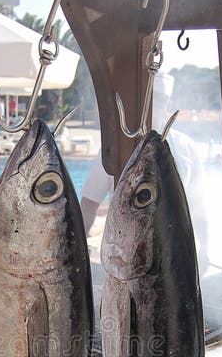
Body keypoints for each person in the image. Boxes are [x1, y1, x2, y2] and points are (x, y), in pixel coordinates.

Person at [79, 73, 210, 274]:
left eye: (158, 100)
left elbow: (199, 205)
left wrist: (205, 247)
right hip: (126, 260)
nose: (153, 106)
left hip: (175, 255)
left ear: (168, 103)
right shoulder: (116, 147)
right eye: (150, 100)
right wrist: (78, 249)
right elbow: (89, 202)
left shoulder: (187, 148)